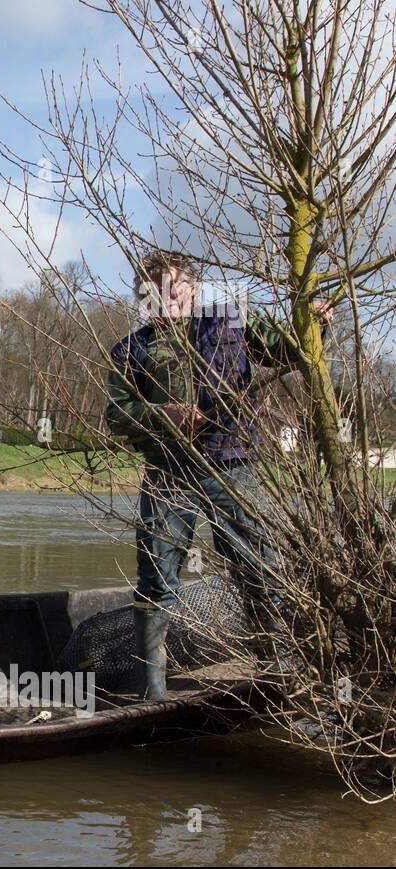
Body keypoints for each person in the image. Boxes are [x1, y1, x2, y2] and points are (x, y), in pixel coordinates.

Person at [106, 250, 329, 700]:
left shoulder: (230, 321)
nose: (163, 298)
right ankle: (153, 689)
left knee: (259, 566)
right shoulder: (130, 349)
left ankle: (278, 672)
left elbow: (287, 349)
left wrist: (315, 324)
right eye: (149, 291)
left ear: (192, 288)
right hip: (167, 472)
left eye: (172, 287)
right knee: (156, 576)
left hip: (232, 467)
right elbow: (117, 414)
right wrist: (161, 413)